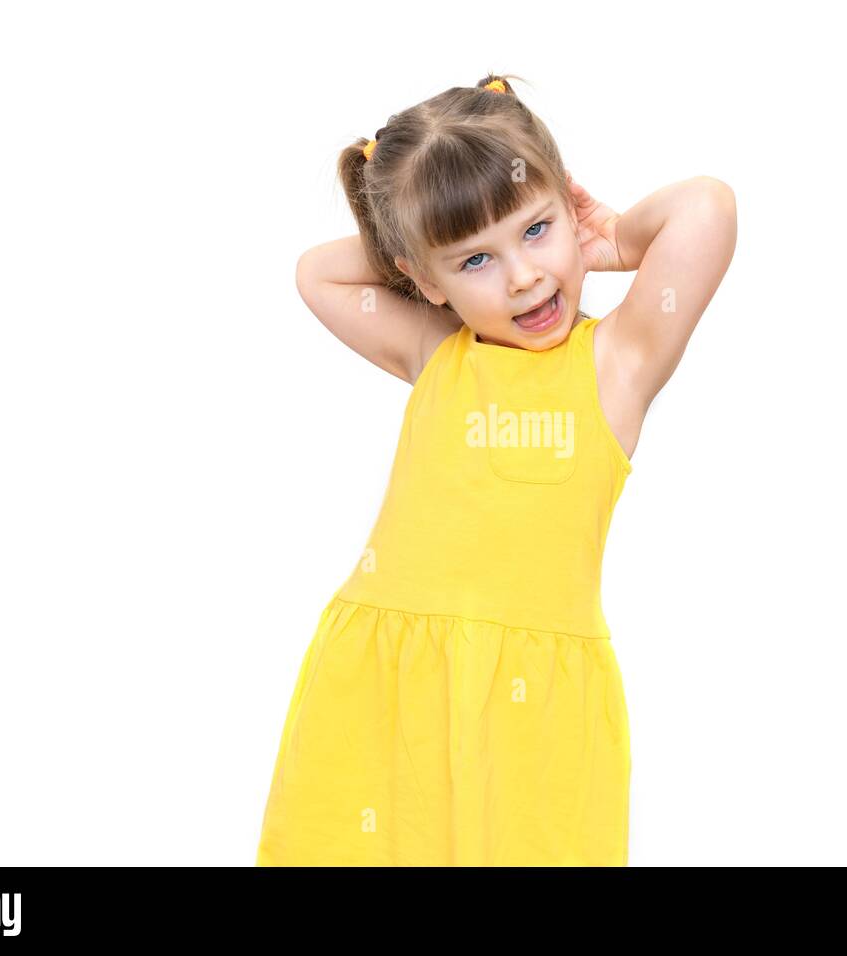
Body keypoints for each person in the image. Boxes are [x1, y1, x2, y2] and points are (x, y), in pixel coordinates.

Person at [256, 72, 737, 865]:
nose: (522, 276)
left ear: (566, 206)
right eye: (476, 259)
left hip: (533, 709)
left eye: (538, 230)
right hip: (383, 683)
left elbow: (707, 208)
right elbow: (318, 273)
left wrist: (612, 236)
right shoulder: (433, 350)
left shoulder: (615, 365)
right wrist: (421, 254)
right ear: (419, 278)